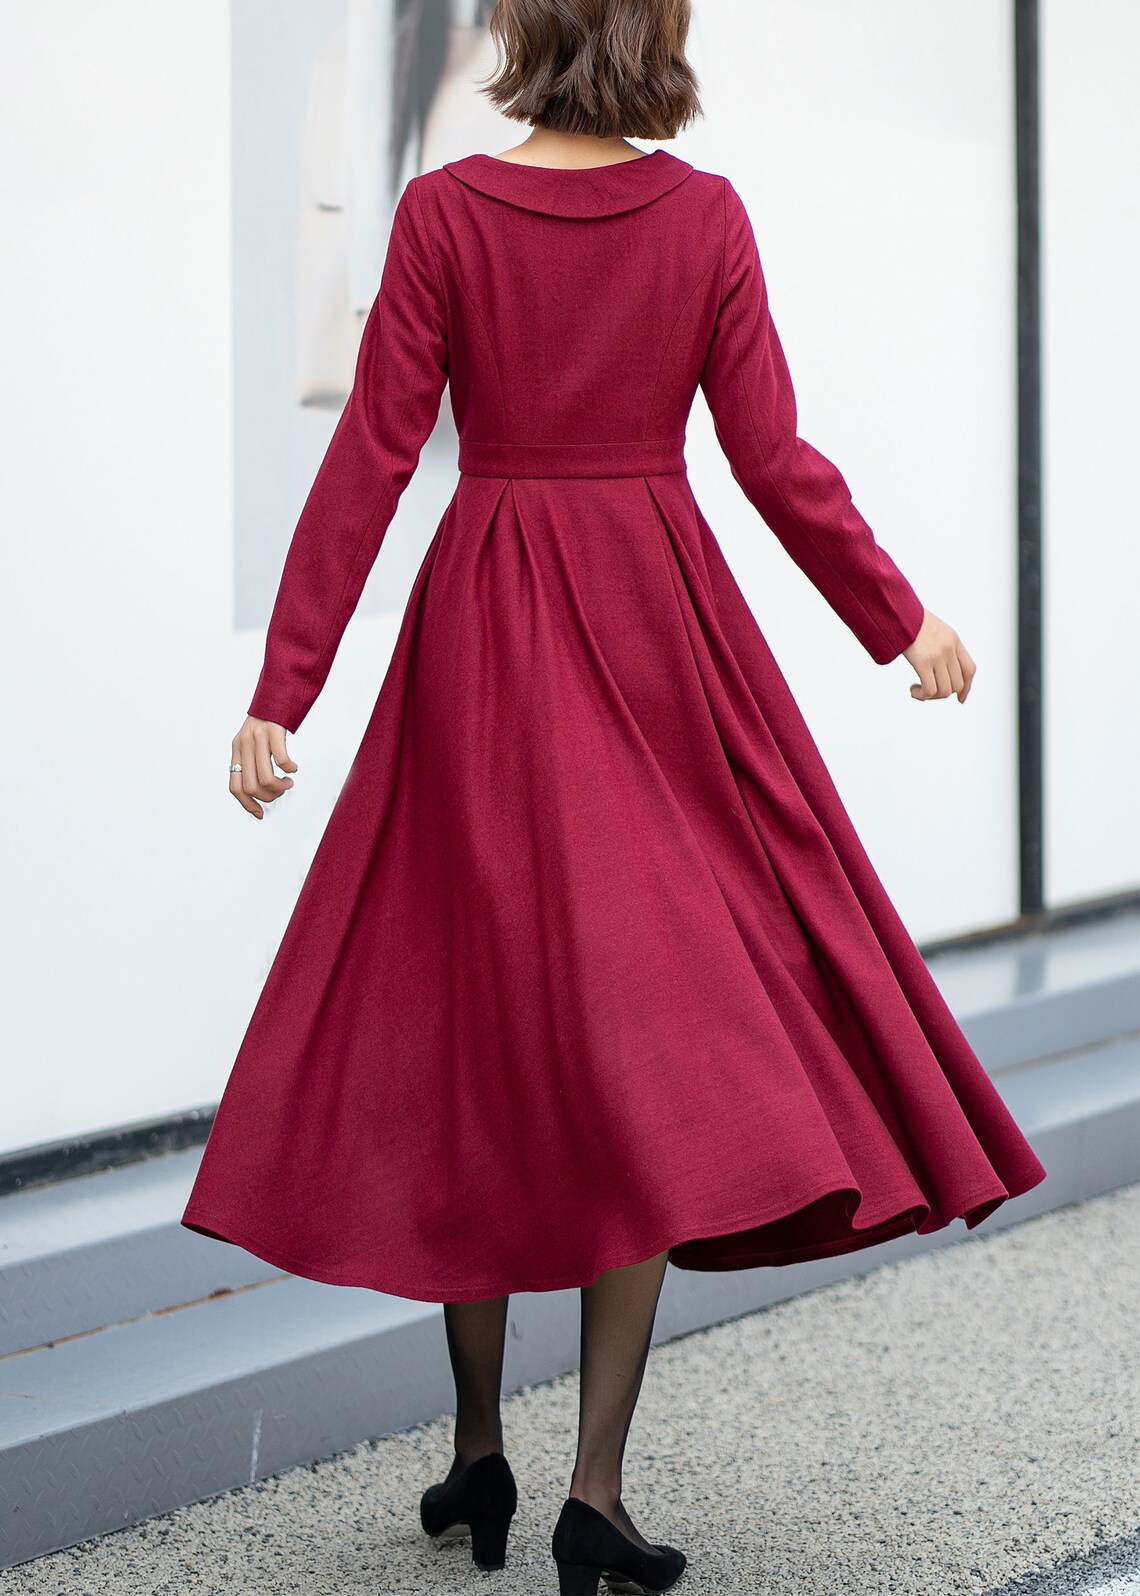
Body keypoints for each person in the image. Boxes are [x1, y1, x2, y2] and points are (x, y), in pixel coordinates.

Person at [182, 3, 1048, 1591]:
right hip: (660, 639)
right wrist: (896, 614)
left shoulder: (445, 212)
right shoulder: (702, 217)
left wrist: (280, 692)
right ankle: (588, 1485)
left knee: (480, 1033)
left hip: (485, 640)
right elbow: (774, 456)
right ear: (657, 36)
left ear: (517, 32)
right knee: (643, 1057)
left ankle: (479, 1460)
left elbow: (373, 460)